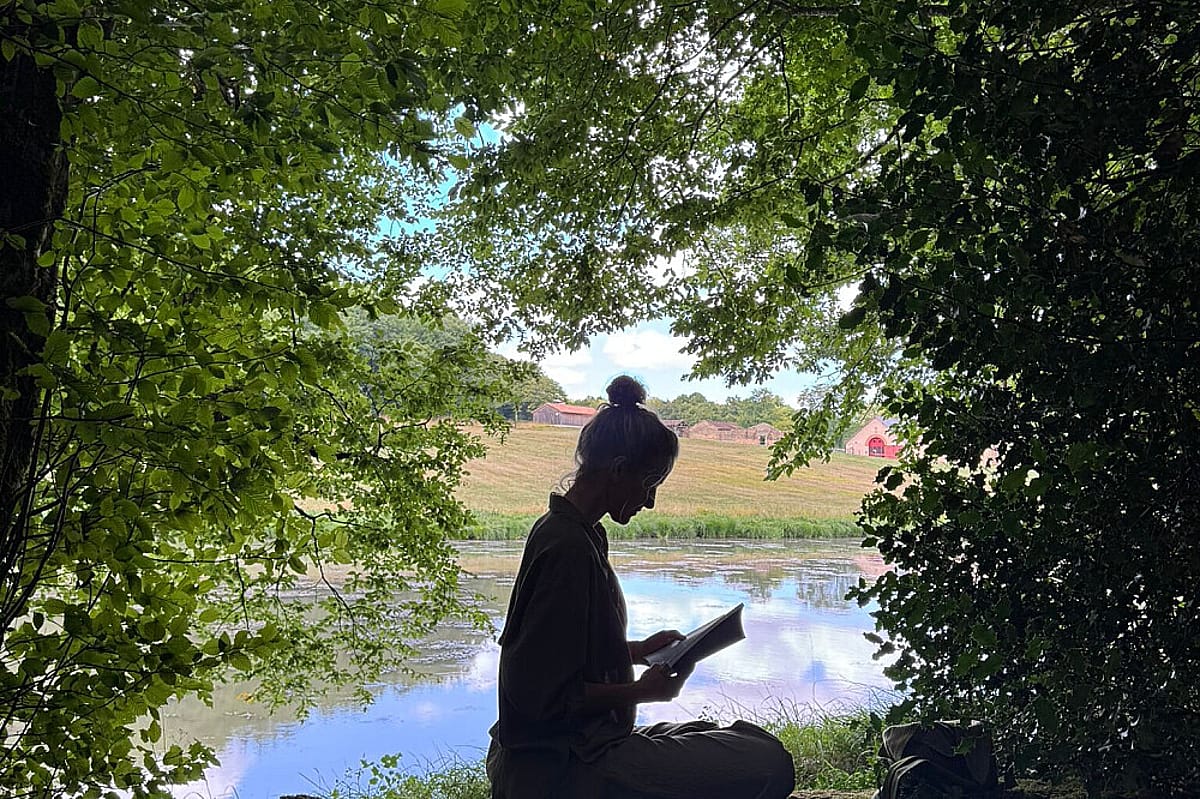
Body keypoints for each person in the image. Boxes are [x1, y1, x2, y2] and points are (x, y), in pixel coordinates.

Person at [486, 375, 795, 799]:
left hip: (586, 744)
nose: (649, 502)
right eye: (649, 484)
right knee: (767, 763)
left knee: (731, 738)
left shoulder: (579, 533)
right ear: (617, 470)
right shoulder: (567, 547)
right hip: (558, 766)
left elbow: (561, 655)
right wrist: (641, 691)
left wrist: (636, 651)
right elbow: (537, 697)